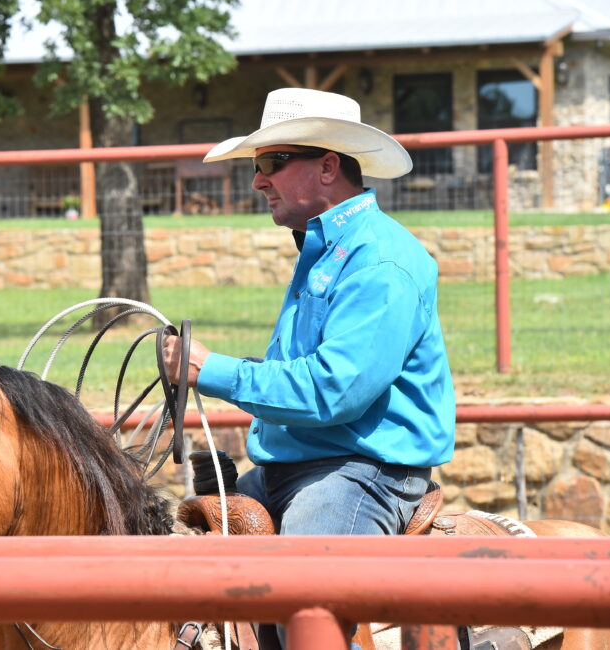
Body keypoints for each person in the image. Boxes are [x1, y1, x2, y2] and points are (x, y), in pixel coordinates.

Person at [162, 87, 455, 549]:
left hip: (361, 474)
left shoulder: (380, 263)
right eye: (256, 166)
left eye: (272, 163)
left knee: (302, 589)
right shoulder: (331, 251)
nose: (258, 181)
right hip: (297, 469)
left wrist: (210, 369)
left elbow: (333, 390)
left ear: (327, 166)